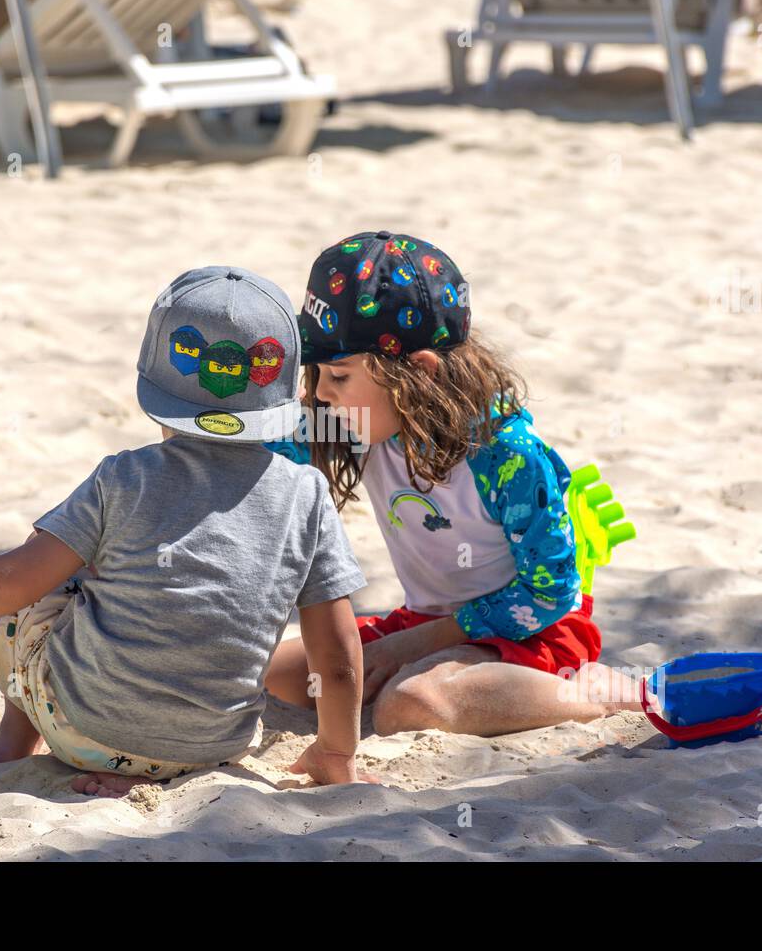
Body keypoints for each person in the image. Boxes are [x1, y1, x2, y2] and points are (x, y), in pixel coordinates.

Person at [0, 267, 369, 796]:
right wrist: (337, 750)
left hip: (83, 733)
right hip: (214, 748)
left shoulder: (125, 477)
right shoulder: (307, 496)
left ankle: (14, 740)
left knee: (39, 587)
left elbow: (7, 580)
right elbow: (337, 656)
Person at [265, 231, 642, 738]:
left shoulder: (503, 456)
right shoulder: (365, 420)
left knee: (410, 704)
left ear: (416, 372)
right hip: (427, 620)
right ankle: (434, 667)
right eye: (316, 374)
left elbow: (550, 592)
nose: (321, 394)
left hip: (529, 628)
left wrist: (410, 648)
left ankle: (590, 695)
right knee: (281, 675)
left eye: (337, 374)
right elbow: (269, 457)